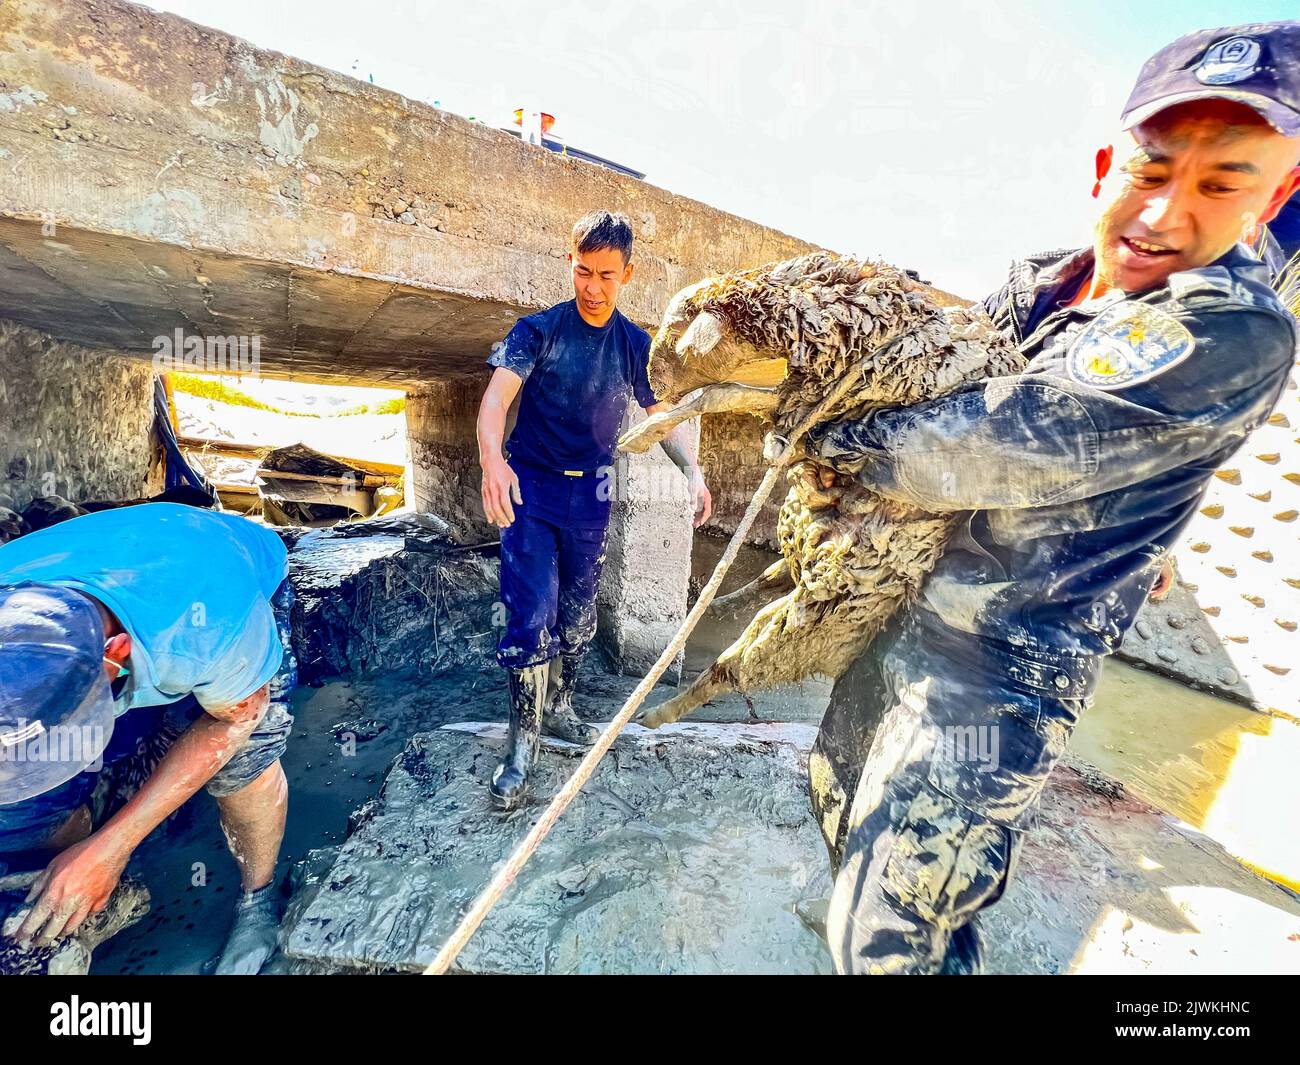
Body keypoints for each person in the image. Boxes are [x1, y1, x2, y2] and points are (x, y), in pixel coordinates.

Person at [798, 22, 1300, 974]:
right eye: (1153, 171)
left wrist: (830, 437)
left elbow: (979, 446)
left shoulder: (1233, 329)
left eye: (1221, 183)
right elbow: (927, 374)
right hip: (896, 623)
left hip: (997, 676)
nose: (1166, 213)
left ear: (1273, 197)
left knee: (892, 926)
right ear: (1108, 164)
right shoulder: (1040, 282)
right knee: (840, 799)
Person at [477, 210, 711, 808]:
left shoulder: (635, 345)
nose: (592, 286)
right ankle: (521, 745)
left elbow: (660, 417)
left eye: (607, 275)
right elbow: (496, 399)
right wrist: (492, 463)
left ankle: (560, 709)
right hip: (530, 486)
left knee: (578, 614)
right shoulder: (538, 331)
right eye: (583, 271)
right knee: (531, 614)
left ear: (627, 274)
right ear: (571, 263)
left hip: (593, 493)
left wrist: (692, 473)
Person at [0, 503, 297, 974]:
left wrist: (112, 847)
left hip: (225, 564)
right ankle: (72, 888)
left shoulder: (209, 631)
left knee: (244, 764)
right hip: (110, 565)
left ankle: (256, 903)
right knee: (22, 802)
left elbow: (234, 723)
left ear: (115, 655)